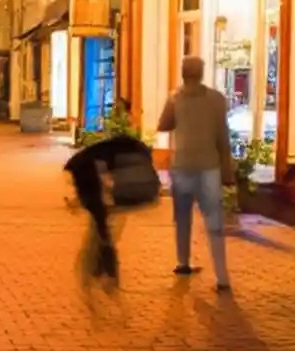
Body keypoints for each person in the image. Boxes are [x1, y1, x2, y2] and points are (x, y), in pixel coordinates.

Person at [158, 55, 235, 291]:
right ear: (201, 73)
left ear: (183, 73)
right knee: (214, 221)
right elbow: (223, 137)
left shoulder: (175, 97)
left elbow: (163, 125)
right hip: (209, 166)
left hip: (182, 166)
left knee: (182, 218)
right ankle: (221, 277)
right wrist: (228, 171)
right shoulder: (216, 100)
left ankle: (183, 262)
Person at [64, 133, 158, 280]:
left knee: (101, 224)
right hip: (90, 175)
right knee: (101, 222)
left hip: (92, 175)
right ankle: (105, 264)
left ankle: (103, 263)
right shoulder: (133, 153)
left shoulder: (124, 152)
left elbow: (104, 178)